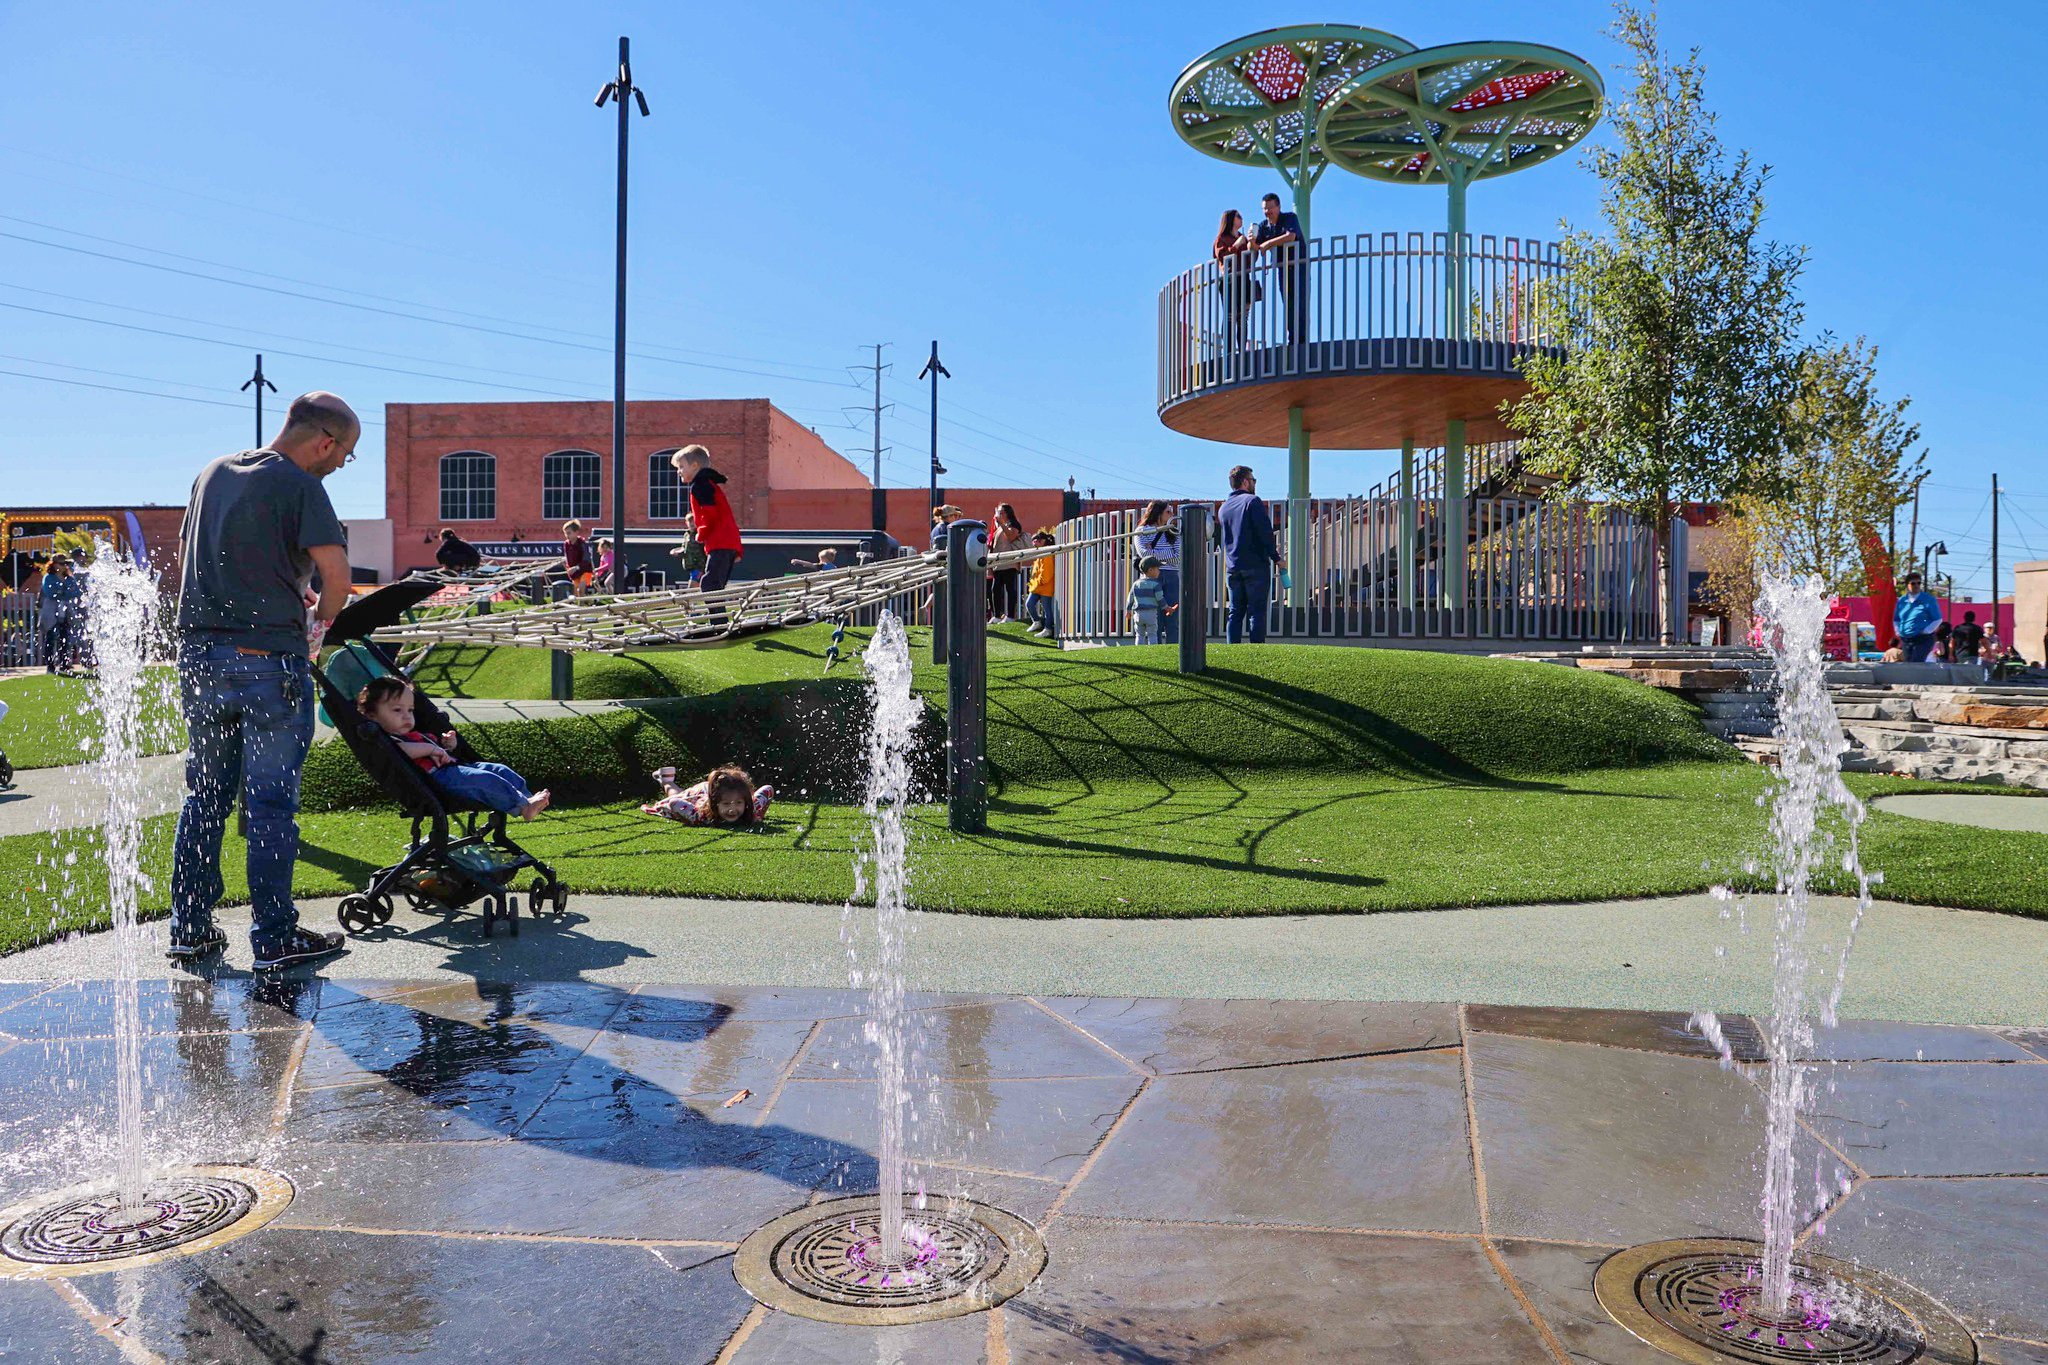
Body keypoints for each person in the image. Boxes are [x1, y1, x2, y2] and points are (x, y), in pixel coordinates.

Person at [169, 390, 355, 971]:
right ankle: (275, 937)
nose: (340, 465)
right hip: (270, 662)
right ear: (324, 442)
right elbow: (337, 579)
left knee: (205, 796)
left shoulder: (212, 473)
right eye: (344, 454)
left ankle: (190, 928)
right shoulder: (302, 485)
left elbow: (192, 555)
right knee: (270, 803)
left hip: (200, 657)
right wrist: (318, 624)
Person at [358, 677, 551, 819]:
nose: (407, 716)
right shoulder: (388, 741)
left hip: (455, 769)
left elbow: (440, 751)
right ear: (372, 716)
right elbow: (403, 753)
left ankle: (527, 800)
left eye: (410, 710)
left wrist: (447, 745)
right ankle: (523, 807)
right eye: (397, 710)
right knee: (485, 780)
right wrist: (431, 750)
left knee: (500, 770)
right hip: (438, 781)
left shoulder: (416, 735)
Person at [1217, 465, 1283, 643]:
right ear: (1245, 482)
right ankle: (1256, 650)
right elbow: (1265, 533)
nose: (1254, 483)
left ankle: (1233, 650)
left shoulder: (1223, 508)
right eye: (1253, 480)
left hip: (1232, 567)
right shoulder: (1252, 501)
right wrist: (1276, 558)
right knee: (1256, 612)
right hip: (1255, 565)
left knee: (1235, 612)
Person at [670, 445, 744, 592]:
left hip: (720, 543)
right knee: (715, 584)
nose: (678, 471)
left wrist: (701, 534)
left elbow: (710, 514)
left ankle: (716, 609)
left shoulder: (700, 486)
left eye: (681, 467)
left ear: (694, 466)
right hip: (727, 542)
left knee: (709, 585)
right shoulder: (709, 484)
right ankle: (717, 608)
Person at [1249, 192, 1305, 344]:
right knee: (1288, 303)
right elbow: (1256, 248)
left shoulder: (1289, 218)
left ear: (1278, 207)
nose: (1267, 212)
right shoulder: (1264, 226)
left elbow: (1291, 236)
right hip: (1282, 268)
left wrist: (1269, 243)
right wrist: (1251, 241)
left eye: (1270, 208)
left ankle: (1300, 340)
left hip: (1298, 265)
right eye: (1265, 209)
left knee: (1299, 302)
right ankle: (1293, 339)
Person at [642, 764, 774, 826]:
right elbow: (674, 803)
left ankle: (667, 779)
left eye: (739, 803)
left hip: (715, 788)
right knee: (678, 795)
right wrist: (691, 820)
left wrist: (759, 815)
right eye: (726, 804)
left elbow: (768, 789)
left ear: (746, 801)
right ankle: (666, 781)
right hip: (697, 794)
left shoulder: (752, 808)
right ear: (715, 804)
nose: (732, 809)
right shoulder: (702, 815)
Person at [1133, 500, 1182, 644]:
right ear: (1158, 513)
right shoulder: (1142, 530)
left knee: (1172, 616)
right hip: (1151, 577)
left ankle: (1173, 648)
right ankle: (1156, 648)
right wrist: (1168, 554)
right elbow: (1144, 555)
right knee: (1155, 617)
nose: (1172, 515)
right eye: (1168, 512)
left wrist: (1154, 552)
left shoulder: (1174, 531)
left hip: (1172, 576)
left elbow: (1178, 557)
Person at [1213, 209, 1255, 353]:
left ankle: (1242, 349)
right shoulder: (1222, 239)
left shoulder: (1243, 238)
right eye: (1238, 216)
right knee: (1230, 315)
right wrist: (1236, 245)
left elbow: (1251, 258)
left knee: (1243, 317)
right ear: (1230, 219)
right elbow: (1223, 256)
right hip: (1230, 279)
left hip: (1244, 278)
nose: (1241, 218)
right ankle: (1229, 350)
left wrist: (1251, 244)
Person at [37, 554, 83, 673]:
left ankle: (64, 663)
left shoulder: (69, 578)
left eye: (66, 564)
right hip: (51, 611)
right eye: (62, 564)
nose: (64, 566)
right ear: (54, 565)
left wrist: (62, 592)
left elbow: (76, 592)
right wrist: (65, 593)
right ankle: (50, 665)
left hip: (65, 611)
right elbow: (50, 592)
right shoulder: (48, 578)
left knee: (65, 638)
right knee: (51, 638)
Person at [988, 503, 1026, 622]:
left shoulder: (1014, 524)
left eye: (1000, 512)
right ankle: (997, 615)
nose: (998, 515)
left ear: (1006, 513)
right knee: (995, 590)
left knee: (1010, 589)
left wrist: (1001, 524)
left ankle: (1010, 616)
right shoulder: (999, 528)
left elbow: (1011, 537)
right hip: (998, 564)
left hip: (1010, 563)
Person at [1892, 573, 1941, 663]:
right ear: (1907, 585)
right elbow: (1896, 619)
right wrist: (1898, 631)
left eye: (1919, 583)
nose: (1916, 585)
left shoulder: (1928, 599)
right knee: (1909, 663)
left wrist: (1926, 631)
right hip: (1906, 639)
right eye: (1913, 583)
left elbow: (1937, 619)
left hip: (1922, 638)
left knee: (1916, 661)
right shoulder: (1902, 601)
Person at [1126, 556, 1172, 645]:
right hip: (1151, 613)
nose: (1159, 571)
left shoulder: (1136, 584)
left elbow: (1130, 599)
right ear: (1150, 570)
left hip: (1138, 614)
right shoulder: (1155, 584)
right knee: (1152, 634)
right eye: (1157, 569)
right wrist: (1167, 608)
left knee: (1139, 635)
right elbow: (1160, 598)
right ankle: (1153, 650)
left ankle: (1138, 650)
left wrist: (1128, 611)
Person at [1025, 529, 1059, 640]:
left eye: (1036, 541)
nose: (1034, 543)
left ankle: (1048, 629)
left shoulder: (1048, 553)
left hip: (1045, 586)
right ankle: (1037, 621)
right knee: (1029, 604)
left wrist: (1040, 582)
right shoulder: (1041, 553)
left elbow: (1047, 572)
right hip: (1037, 586)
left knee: (1047, 609)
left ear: (1042, 541)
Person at [668, 515, 708, 584]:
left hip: (700, 566)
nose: (691, 523)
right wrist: (675, 551)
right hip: (690, 566)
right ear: (686, 523)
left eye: (693, 521)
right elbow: (684, 548)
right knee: (698, 586)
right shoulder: (686, 535)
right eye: (689, 521)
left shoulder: (700, 533)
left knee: (692, 585)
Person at [562, 520, 594, 595]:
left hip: (587, 571)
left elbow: (587, 560)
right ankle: (586, 600)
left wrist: (576, 567)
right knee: (576, 593)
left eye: (569, 533)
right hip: (575, 573)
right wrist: (568, 567)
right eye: (565, 533)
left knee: (581, 589)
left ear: (576, 532)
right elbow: (567, 558)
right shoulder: (566, 544)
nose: (567, 535)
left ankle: (584, 601)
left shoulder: (582, 543)